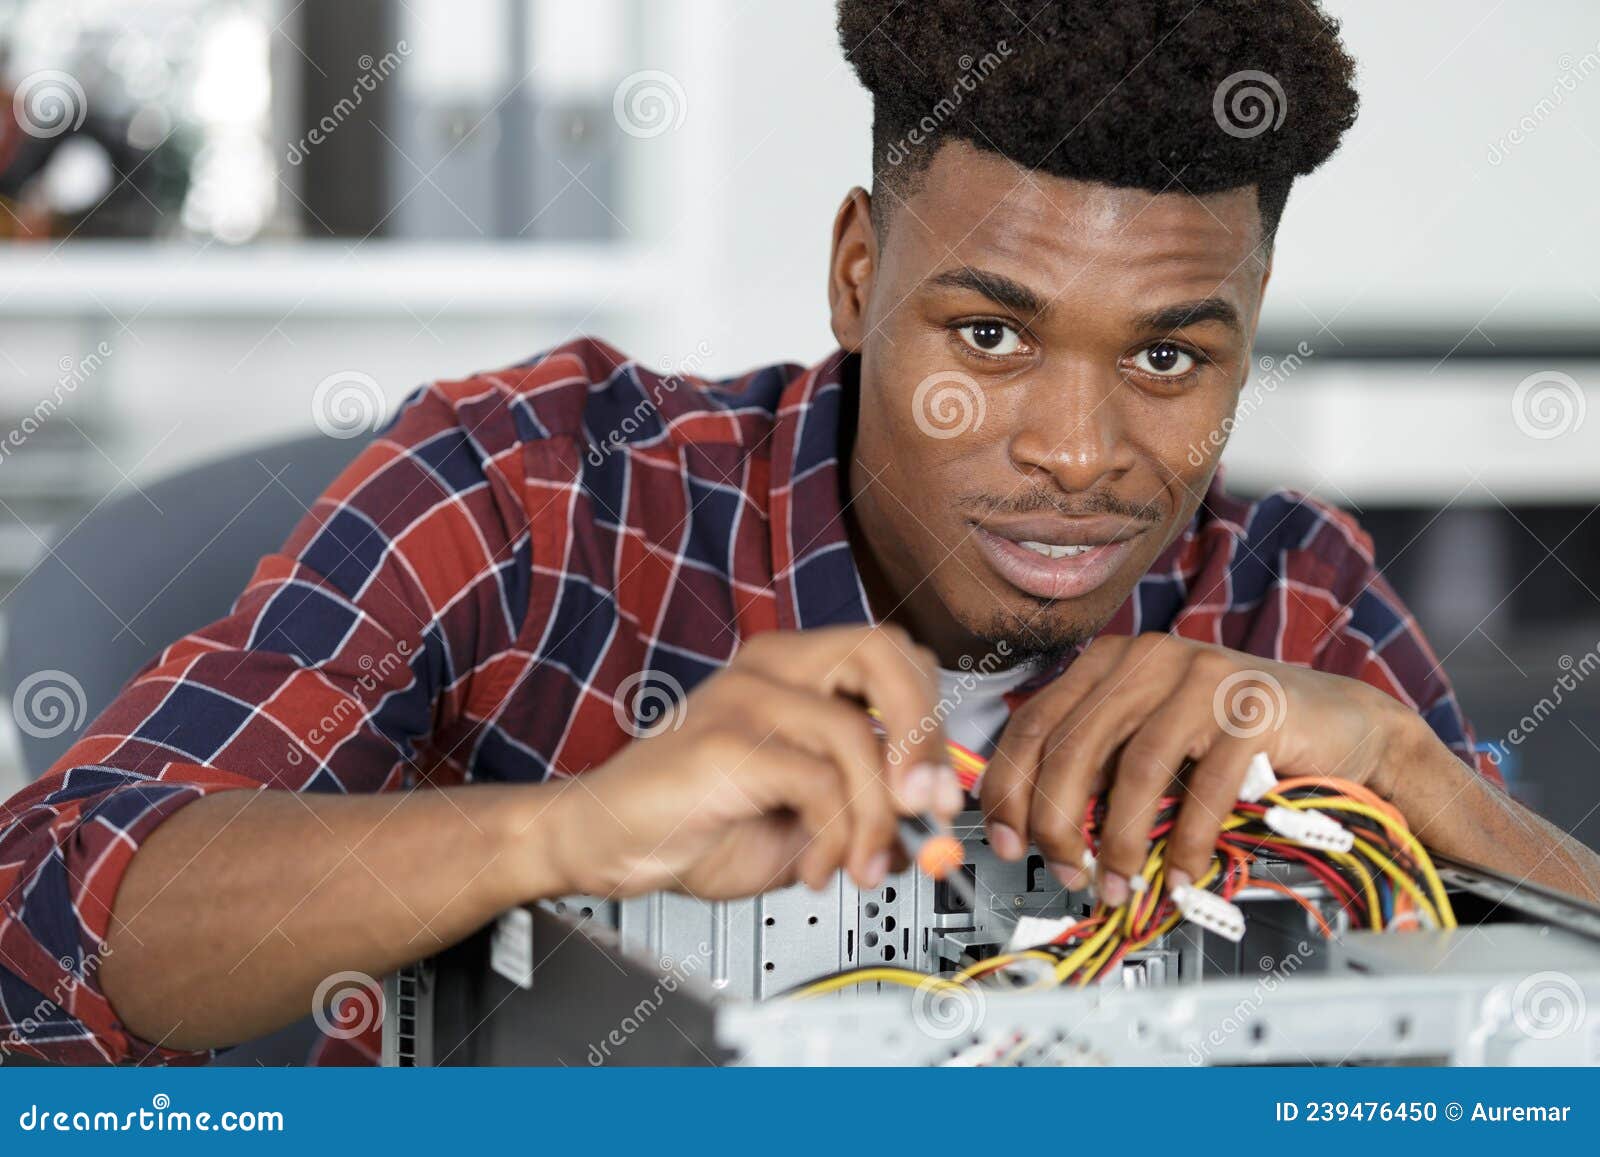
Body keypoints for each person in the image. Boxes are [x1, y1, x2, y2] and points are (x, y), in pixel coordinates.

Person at [4, 0, 1597, 1066]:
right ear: (856, 272)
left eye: (1171, 357)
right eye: (987, 337)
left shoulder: (1284, 596)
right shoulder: (531, 491)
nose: (1076, 452)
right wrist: (566, 833)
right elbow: (53, 921)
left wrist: (1420, 776)